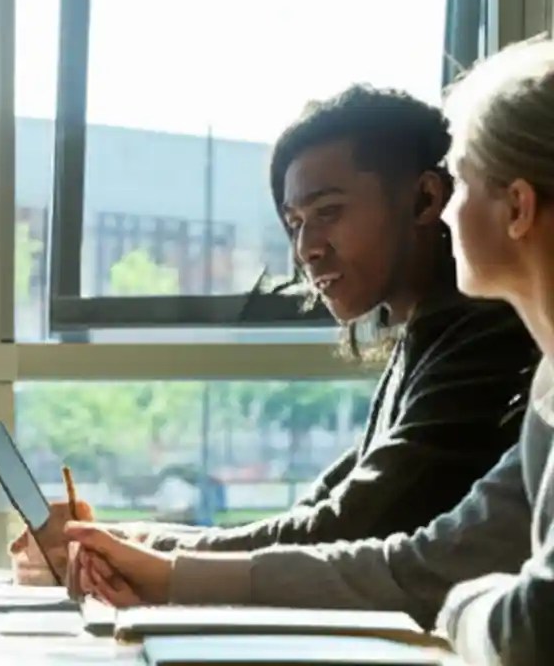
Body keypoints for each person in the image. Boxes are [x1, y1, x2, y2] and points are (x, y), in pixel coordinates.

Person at [66, 36, 554, 666]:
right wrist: (144, 550)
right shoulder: (533, 379)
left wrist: (463, 606)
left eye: (459, 186)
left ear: (513, 206)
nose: (306, 250)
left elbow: (504, 609)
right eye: (295, 223)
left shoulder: (489, 345)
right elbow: (410, 555)